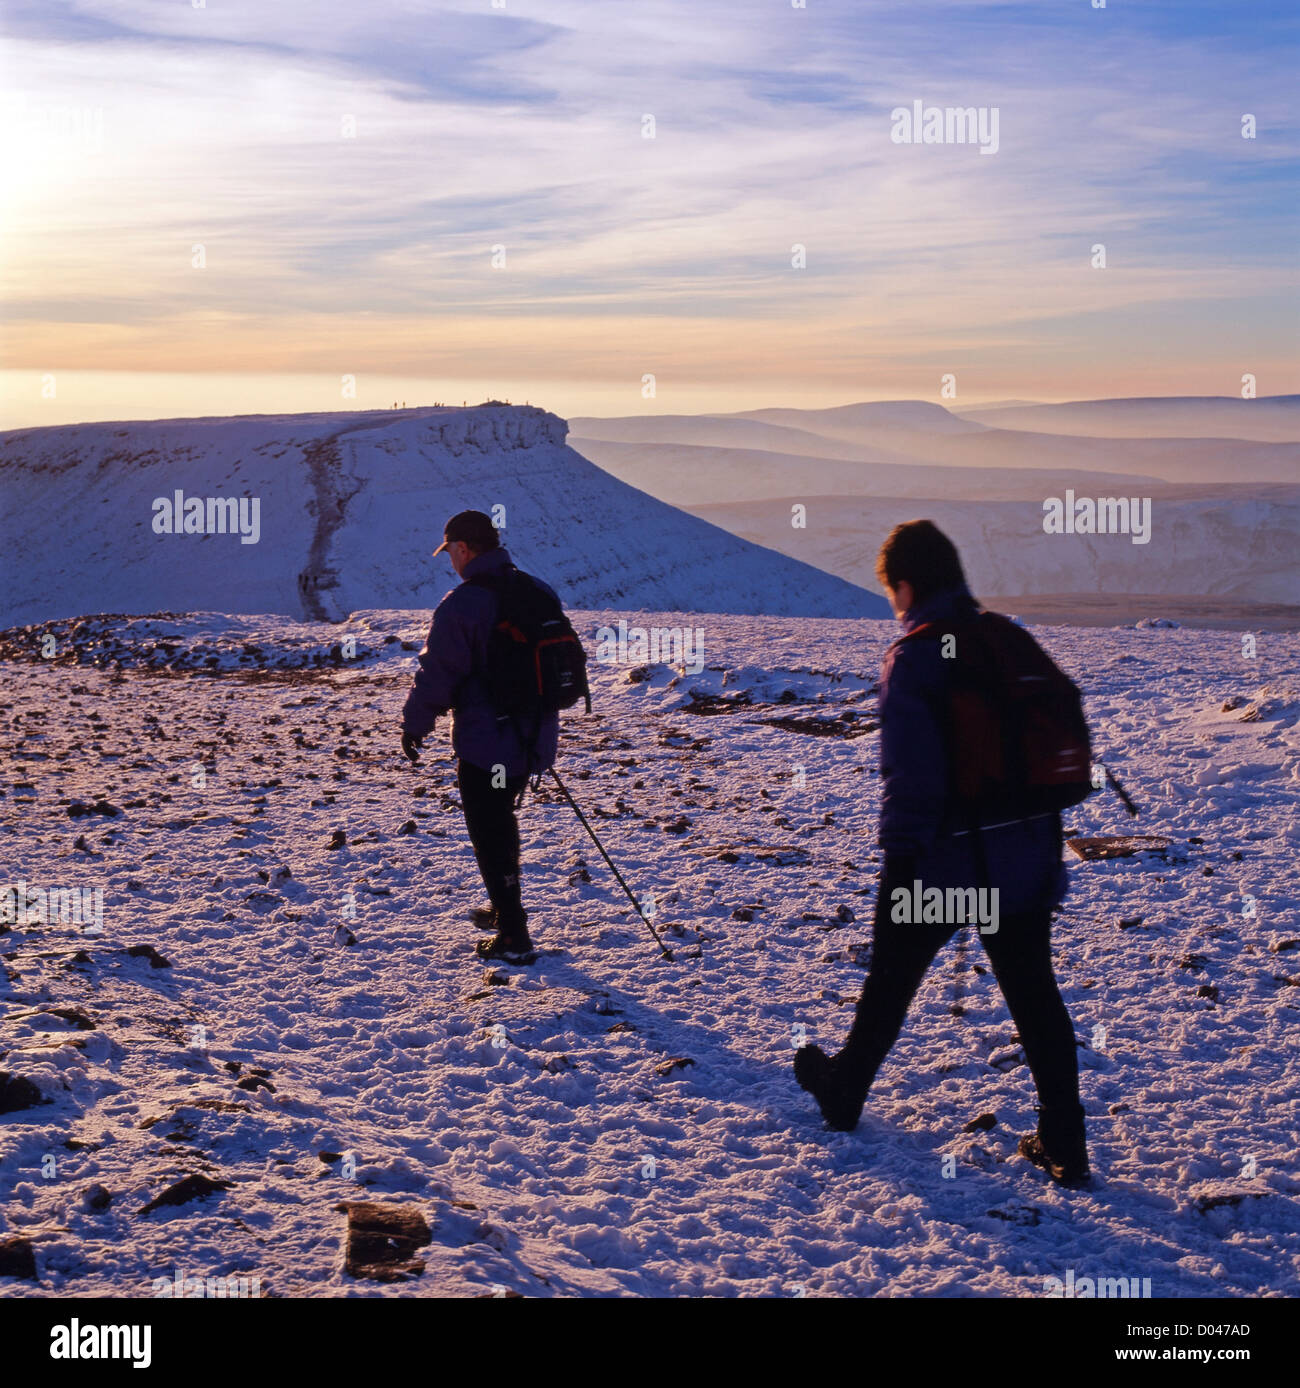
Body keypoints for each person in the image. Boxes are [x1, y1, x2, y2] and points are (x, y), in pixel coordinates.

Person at [793, 519, 1090, 1187]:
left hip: (944, 863)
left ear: (906, 586)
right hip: (1023, 861)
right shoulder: (1008, 639)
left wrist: (901, 861)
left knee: (890, 984)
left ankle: (844, 1093)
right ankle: (1065, 1140)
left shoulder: (917, 655)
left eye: (892, 591)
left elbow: (912, 776)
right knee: (1035, 997)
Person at [400, 510, 561, 964]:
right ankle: (503, 907)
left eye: (451, 551)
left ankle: (513, 936)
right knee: (501, 819)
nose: (450, 559)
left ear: (464, 549)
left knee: (488, 829)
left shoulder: (463, 604)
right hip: (535, 736)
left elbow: (438, 674)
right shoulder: (537, 590)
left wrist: (416, 724)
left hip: (488, 743)